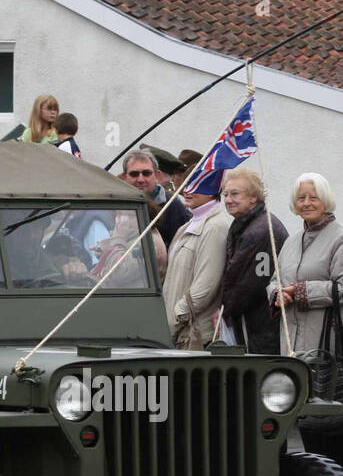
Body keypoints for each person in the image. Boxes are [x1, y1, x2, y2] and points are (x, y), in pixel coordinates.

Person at [272, 172, 343, 474]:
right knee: (307, 418)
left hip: (327, 343)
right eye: (301, 197)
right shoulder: (292, 241)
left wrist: (298, 292)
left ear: (326, 200)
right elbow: (275, 280)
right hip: (294, 343)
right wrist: (276, 293)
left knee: (330, 421)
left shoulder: (342, 237)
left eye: (313, 196)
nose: (307, 202)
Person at [219, 169, 288, 354]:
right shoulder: (245, 224)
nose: (227, 199)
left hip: (260, 323)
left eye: (235, 194)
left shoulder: (261, 231)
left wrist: (226, 311)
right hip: (254, 321)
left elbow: (254, 282)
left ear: (254, 198)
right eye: (225, 194)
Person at [161, 183, 231, 349]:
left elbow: (205, 286)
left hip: (193, 335)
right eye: (187, 185)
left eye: (197, 186)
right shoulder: (188, 225)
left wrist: (175, 317)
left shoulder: (215, 227)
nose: (186, 190)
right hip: (177, 332)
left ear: (212, 191)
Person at [121, 150, 189, 250]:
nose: (140, 179)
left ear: (157, 175)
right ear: (124, 177)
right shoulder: (118, 204)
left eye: (146, 173)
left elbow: (181, 249)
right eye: (134, 174)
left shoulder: (172, 206)